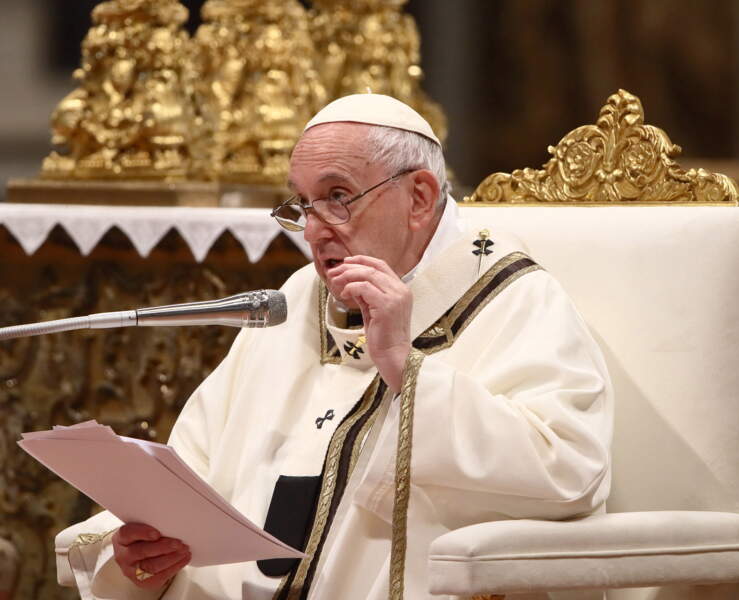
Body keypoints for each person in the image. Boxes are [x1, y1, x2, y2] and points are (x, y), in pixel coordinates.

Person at [56, 94, 613, 600]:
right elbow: (193, 466)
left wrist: (406, 367)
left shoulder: (512, 298)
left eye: (338, 197)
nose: (314, 230)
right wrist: (144, 550)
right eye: (303, 204)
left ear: (419, 197)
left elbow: (569, 470)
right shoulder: (297, 298)